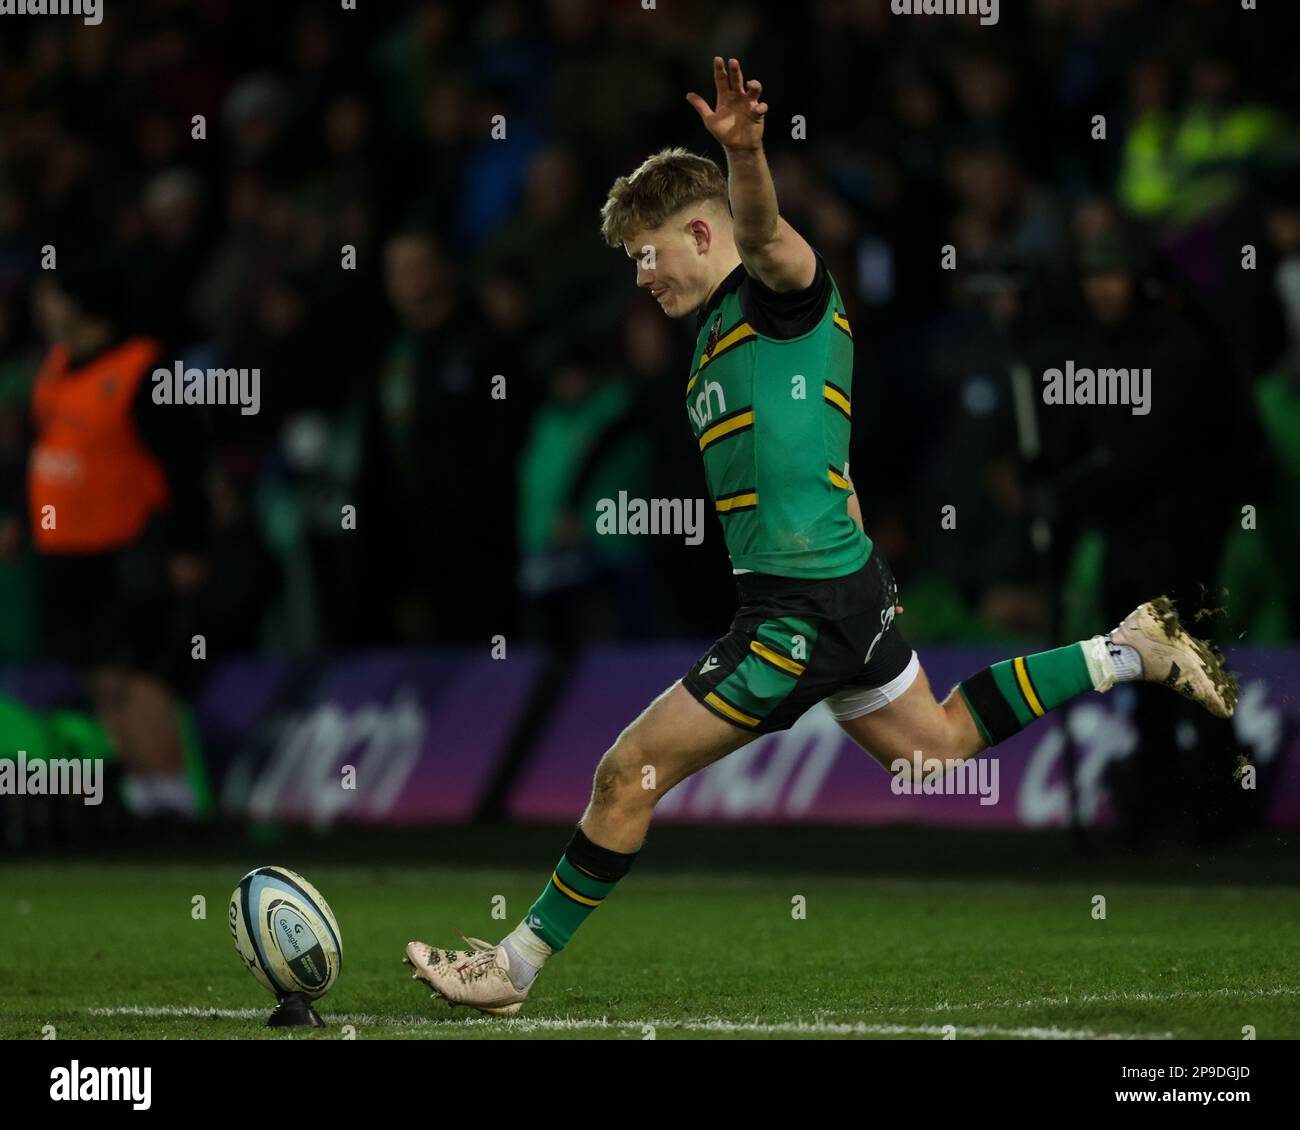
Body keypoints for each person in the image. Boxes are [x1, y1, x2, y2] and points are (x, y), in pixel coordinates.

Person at [403, 58, 1237, 1015]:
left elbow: (763, 231)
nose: (640, 274)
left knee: (626, 772)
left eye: (648, 251)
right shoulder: (715, 337)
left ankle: (512, 967)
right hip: (836, 591)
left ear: (702, 231)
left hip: (799, 610)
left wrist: (747, 153)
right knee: (937, 749)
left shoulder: (776, 294)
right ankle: (1128, 649)